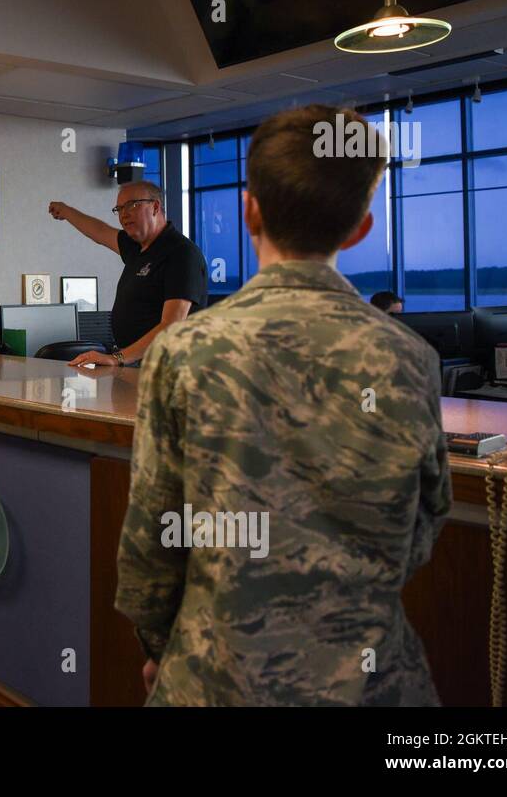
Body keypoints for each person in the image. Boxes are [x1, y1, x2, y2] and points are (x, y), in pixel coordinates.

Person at [115, 105, 451, 706]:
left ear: (249, 211)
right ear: (360, 229)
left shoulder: (186, 352)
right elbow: (419, 534)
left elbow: (151, 546)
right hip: (374, 684)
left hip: (216, 674)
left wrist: (162, 651)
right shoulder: (411, 359)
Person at [48, 180, 206, 368]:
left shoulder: (181, 253)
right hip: (134, 362)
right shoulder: (136, 248)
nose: (124, 214)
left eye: (132, 205)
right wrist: (65, 211)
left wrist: (118, 358)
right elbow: (99, 231)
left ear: (155, 206)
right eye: (119, 208)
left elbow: (171, 325)